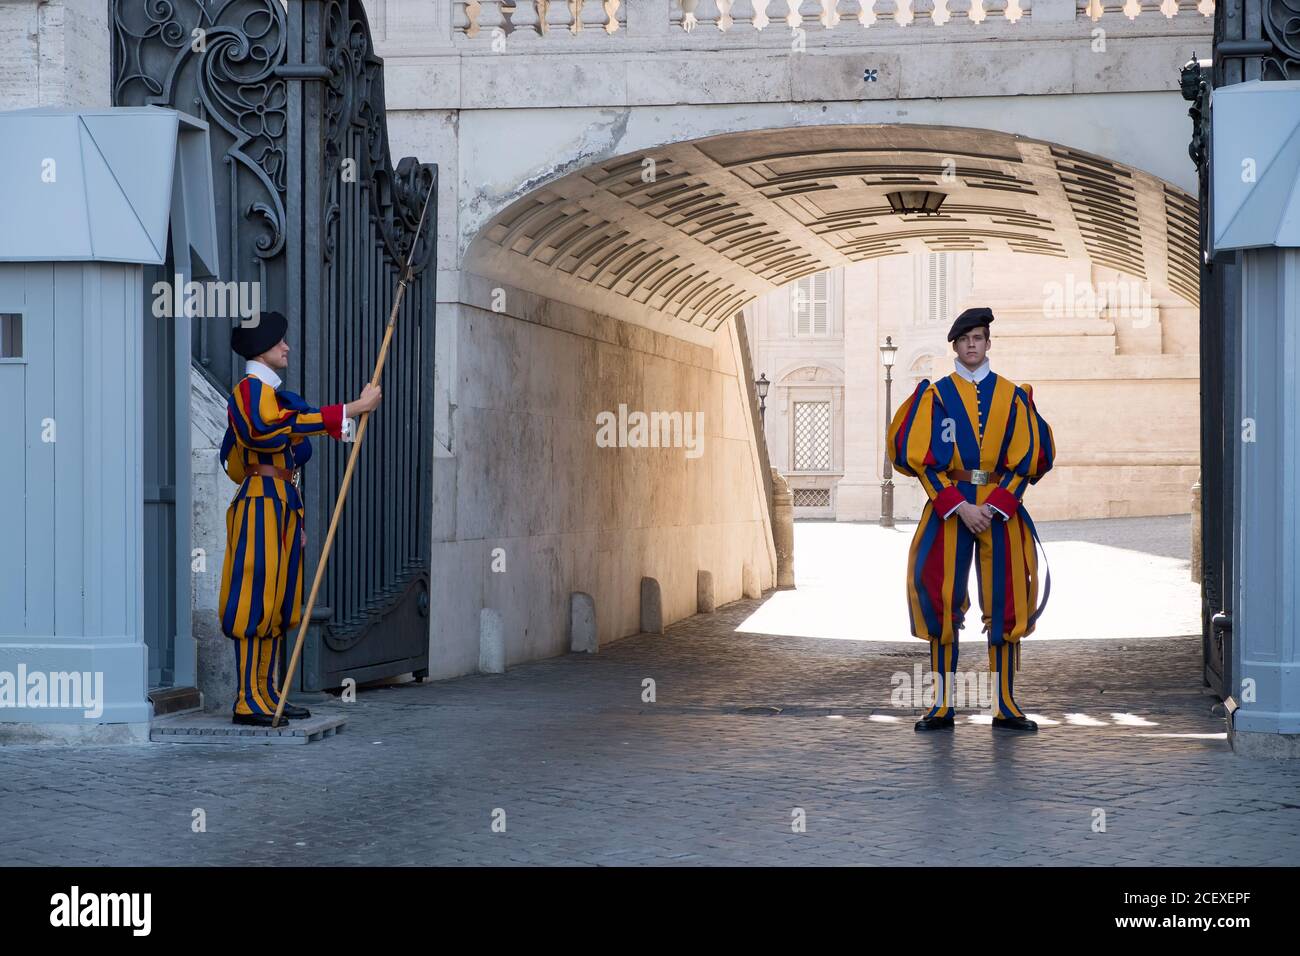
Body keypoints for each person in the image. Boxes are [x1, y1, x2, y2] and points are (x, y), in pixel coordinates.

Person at [886, 307, 1055, 733]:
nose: (973, 345)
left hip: (1002, 513)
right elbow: (921, 460)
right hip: (950, 511)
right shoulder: (935, 396)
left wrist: (995, 506)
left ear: (987, 343)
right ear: (956, 347)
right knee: (940, 602)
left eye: (979, 338)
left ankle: (1006, 704)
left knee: (1006, 604)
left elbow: (1026, 462)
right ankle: (942, 705)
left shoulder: (1014, 396)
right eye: (965, 340)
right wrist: (960, 506)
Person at [217, 310, 381, 726]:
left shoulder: (274, 395)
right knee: (256, 598)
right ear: (262, 350)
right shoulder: (250, 390)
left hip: (282, 501)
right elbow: (263, 432)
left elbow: (293, 428)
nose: (286, 347)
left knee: (277, 601)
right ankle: (247, 698)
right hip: (260, 500)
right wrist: (350, 407)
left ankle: (268, 691)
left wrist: (350, 414)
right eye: (279, 342)